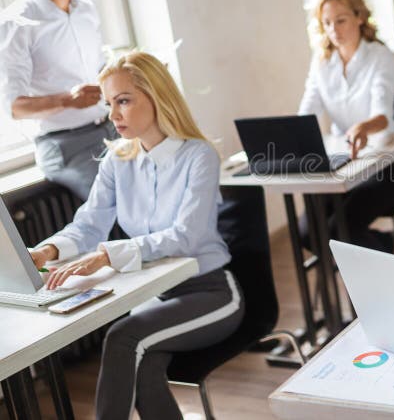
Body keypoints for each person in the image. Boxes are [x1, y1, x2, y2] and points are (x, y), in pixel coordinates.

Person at [29, 52, 244, 420]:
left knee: (123, 338)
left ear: (157, 97)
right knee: (139, 361)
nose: (113, 116)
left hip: (210, 293)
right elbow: (89, 224)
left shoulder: (199, 156)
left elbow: (186, 237)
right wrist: (46, 251)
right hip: (153, 295)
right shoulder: (117, 161)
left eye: (124, 101)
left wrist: (108, 255)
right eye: (109, 103)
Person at [0, 0, 115, 200]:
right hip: (64, 145)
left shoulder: (86, 10)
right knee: (116, 201)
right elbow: (15, 108)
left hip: (111, 128)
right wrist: (67, 100)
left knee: (168, 180)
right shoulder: (17, 23)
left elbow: (98, 69)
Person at [298, 0, 394, 254]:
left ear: (359, 17)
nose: (334, 30)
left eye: (341, 20)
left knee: (342, 229)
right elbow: (307, 111)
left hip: (388, 164)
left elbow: (382, 115)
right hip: (344, 165)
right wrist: (291, 134)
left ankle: (376, 273)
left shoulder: (379, 55)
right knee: (306, 233)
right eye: (326, 23)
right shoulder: (321, 62)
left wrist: (363, 127)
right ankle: (387, 245)